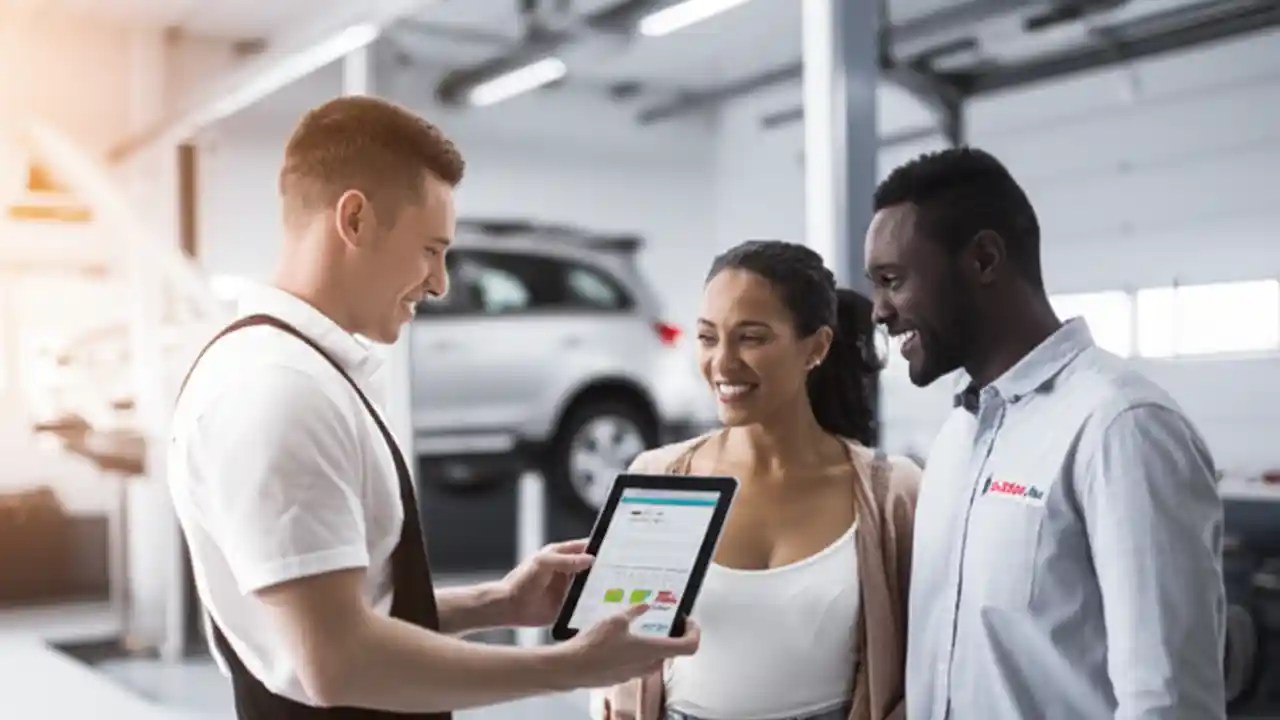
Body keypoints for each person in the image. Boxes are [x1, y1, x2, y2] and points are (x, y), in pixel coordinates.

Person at [167, 95, 698, 720]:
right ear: (355, 220)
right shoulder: (280, 391)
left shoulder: (292, 369)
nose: (441, 282)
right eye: (430, 249)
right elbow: (338, 661)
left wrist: (498, 603)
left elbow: (349, 611)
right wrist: (572, 667)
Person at [864, 147, 1226, 719]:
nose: (879, 311)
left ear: (983, 260)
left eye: (893, 280)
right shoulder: (959, 435)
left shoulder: (1119, 428)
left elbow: (1169, 702)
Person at [594, 240, 921, 720]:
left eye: (750, 338)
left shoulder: (892, 493)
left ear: (816, 347)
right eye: (708, 338)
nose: (722, 363)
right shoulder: (659, 479)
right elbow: (611, 663)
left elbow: (929, 665)